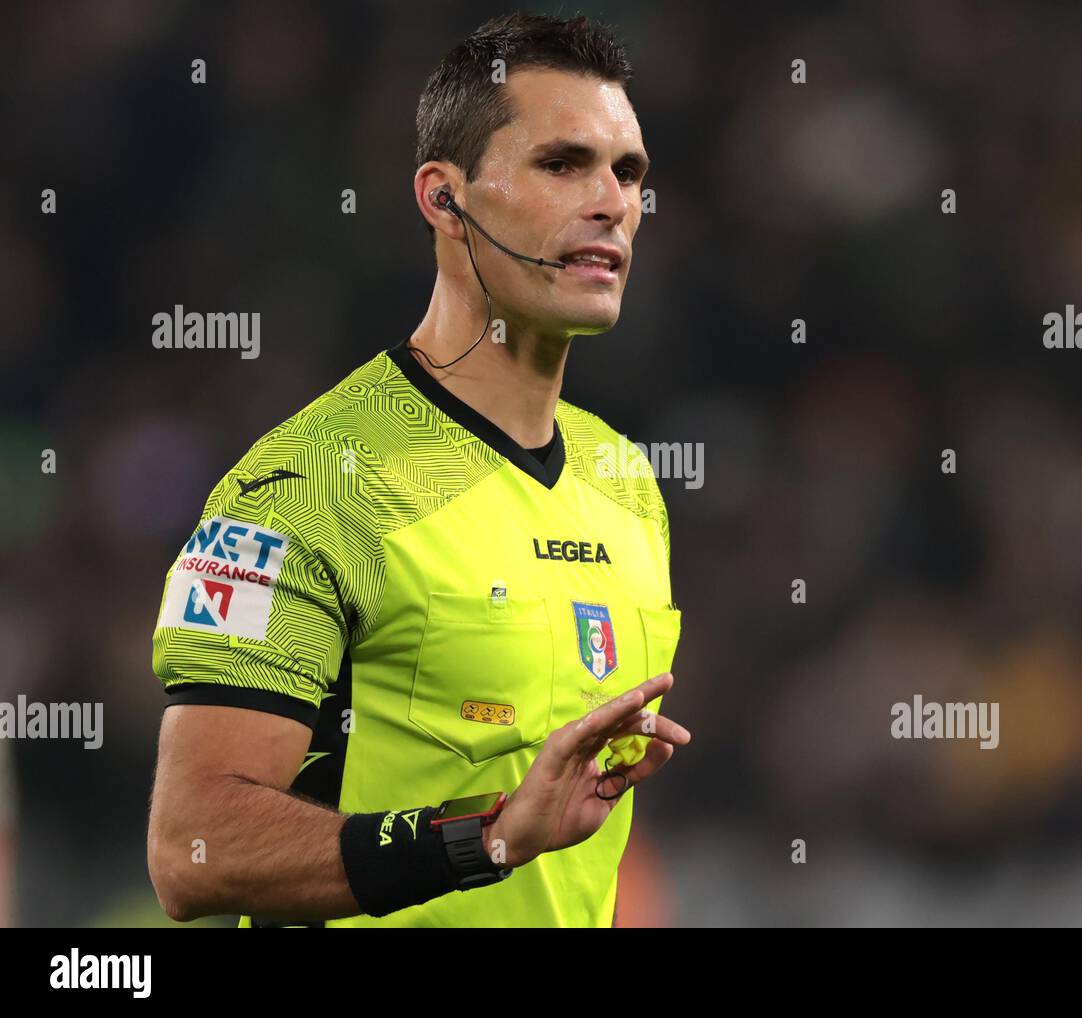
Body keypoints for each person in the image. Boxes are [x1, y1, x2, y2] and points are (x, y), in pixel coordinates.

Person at [147, 12, 688, 928]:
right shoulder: (308, 484)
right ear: (444, 198)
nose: (612, 202)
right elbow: (191, 848)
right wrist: (485, 837)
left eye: (627, 172)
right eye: (563, 164)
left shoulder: (626, 481)